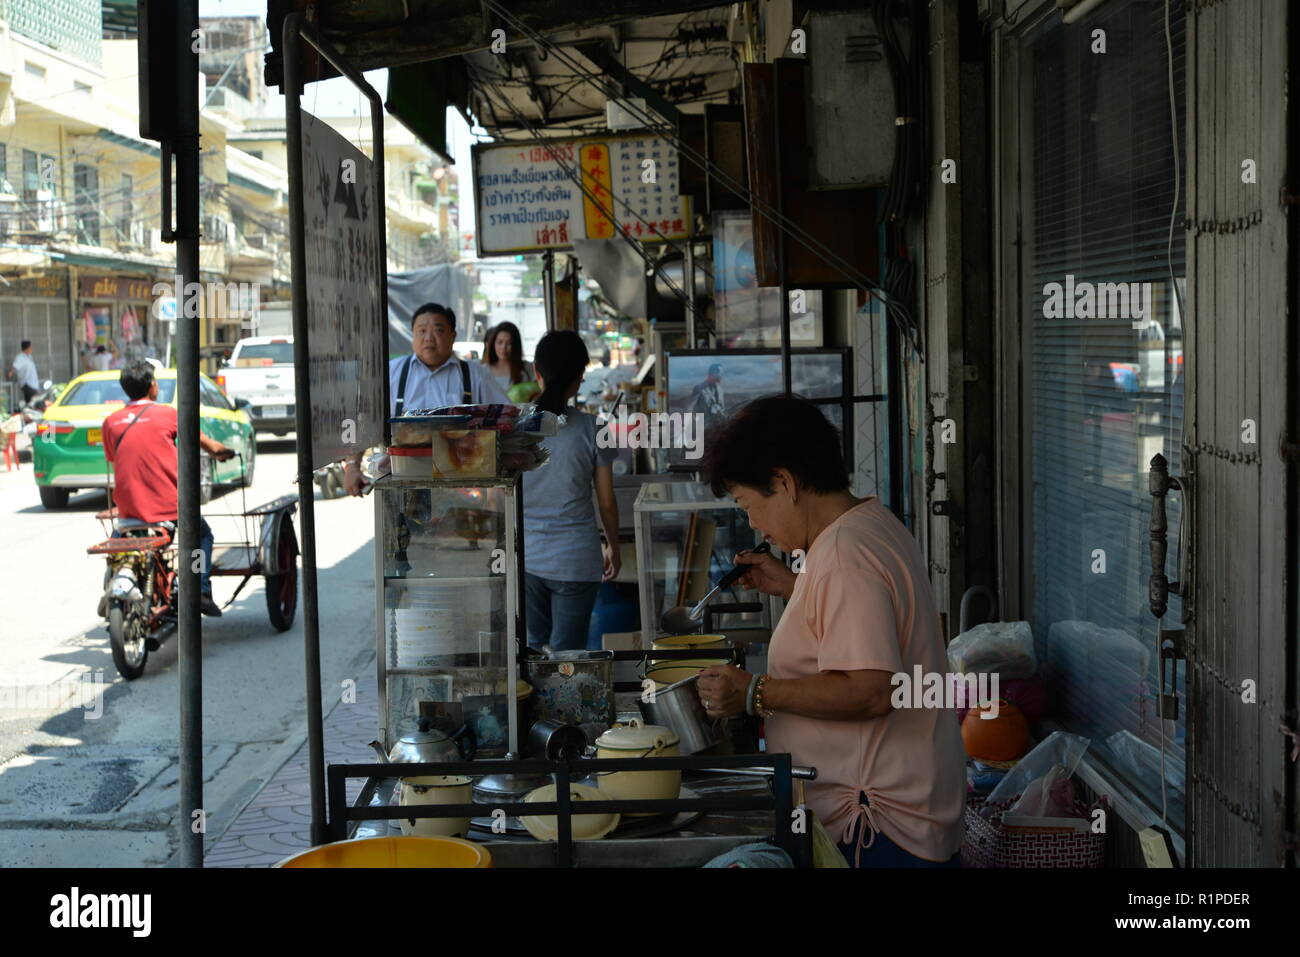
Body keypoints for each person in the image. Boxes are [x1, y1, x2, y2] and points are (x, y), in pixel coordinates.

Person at [695, 395, 965, 868]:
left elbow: (868, 691)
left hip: (877, 826)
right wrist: (798, 587)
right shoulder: (869, 524)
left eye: (747, 504)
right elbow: (871, 621)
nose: (753, 523)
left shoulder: (844, 556)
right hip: (910, 806)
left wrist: (754, 692)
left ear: (784, 482)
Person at [102, 361, 235, 618]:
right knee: (201, 538)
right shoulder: (168, 414)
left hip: (129, 510)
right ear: (152, 386)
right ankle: (200, 587)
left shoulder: (111, 422)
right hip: (169, 507)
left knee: (120, 545)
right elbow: (209, 446)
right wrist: (225, 453)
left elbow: (112, 457)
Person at [521, 330, 620, 652]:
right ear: (579, 378)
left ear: (537, 373)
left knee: (534, 649)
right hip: (577, 560)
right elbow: (606, 502)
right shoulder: (595, 429)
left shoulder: (514, 427)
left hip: (527, 558)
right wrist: (613, 547)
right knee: (569, 657)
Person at [343, 302, 508, 495]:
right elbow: (363, 419)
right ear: (412, 335)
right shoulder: (391, 374)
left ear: (452, 336)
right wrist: (353, 466)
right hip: (401, 483)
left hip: (464, 485)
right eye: (421, 331)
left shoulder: (477, 375)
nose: (428, 338)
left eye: (438, 330)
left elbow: (507, 416)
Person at [481, 320, 534, 394]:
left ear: (516, 345)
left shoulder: (527, 369)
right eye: (500, 342)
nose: (503, 347)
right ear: (493, 344)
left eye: (509, 343)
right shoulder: (483, 371)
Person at [689, 362, 726, 429]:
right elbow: (689, 408)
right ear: (712, 373)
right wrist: (696, 423)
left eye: (722, 373)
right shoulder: (699, 388)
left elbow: (723, 408)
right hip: (703, 428)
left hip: (719, 428)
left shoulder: (721, 390)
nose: (721, 375)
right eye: (719, 373)